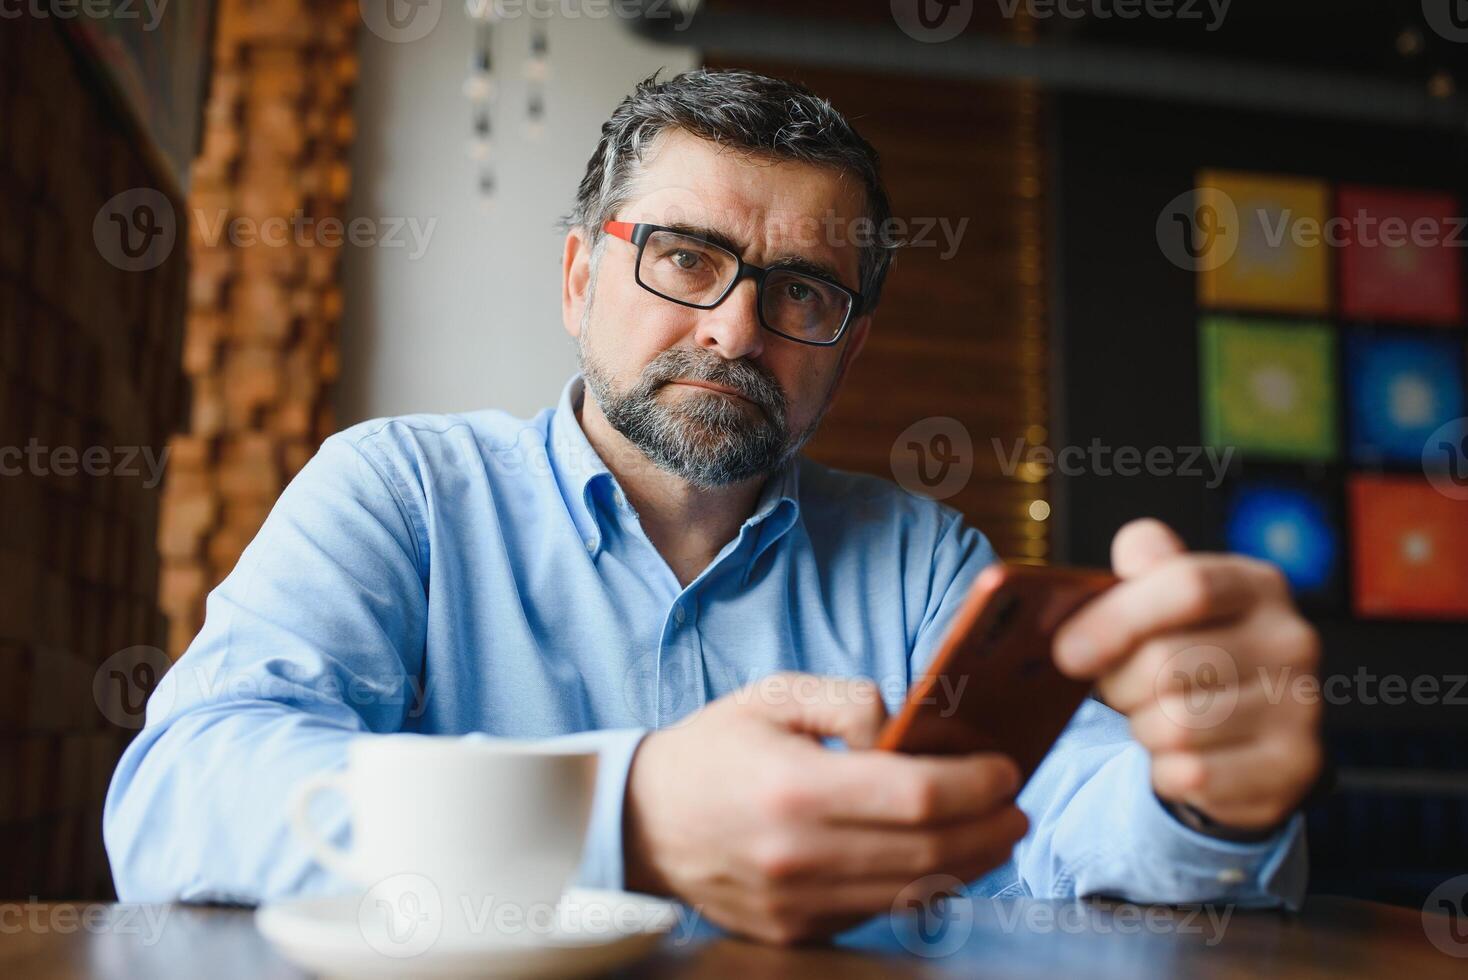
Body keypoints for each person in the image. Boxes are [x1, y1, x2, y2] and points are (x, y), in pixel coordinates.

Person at [105, 69, 1322, 944]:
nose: (736, 326)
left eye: (803, 289)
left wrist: (1205, 793)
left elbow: (1067, 814)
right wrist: (621, 809)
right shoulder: (400, 489)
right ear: (581, 276)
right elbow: (185, 798)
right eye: (685, 257)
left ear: (847, 342)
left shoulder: (920, 560)